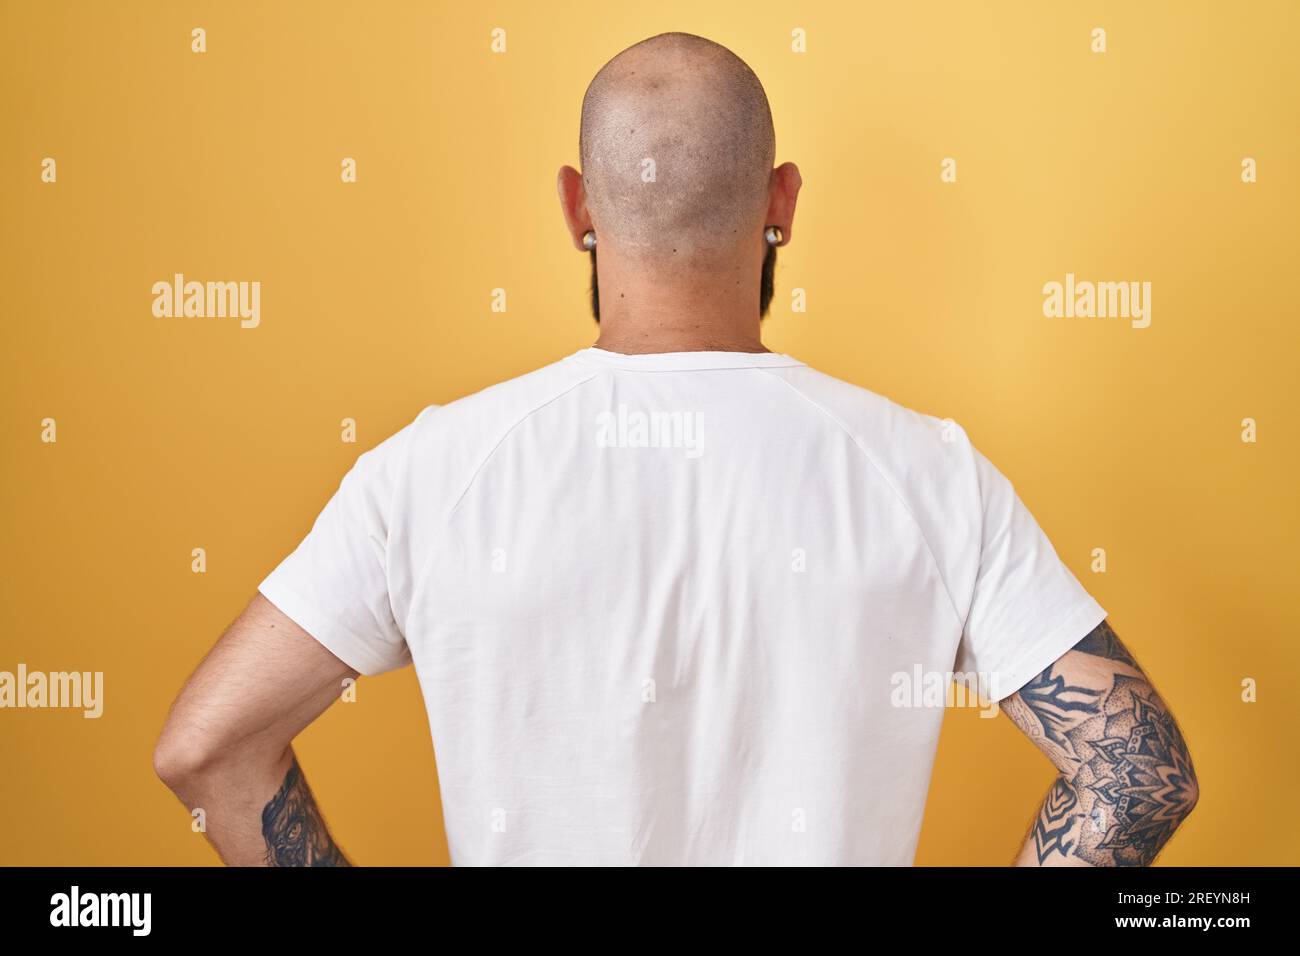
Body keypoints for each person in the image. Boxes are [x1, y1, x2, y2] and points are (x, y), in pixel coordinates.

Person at [154, 32, 1197, 866]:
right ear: (782, 201)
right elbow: (1137, 772)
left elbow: (207, 746)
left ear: (578, 208)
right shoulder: (927, 471)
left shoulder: (433, 469)